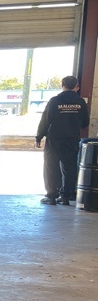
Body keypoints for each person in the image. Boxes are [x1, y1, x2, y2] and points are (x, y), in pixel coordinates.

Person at [35, 75, 89, 205]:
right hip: (71, 139)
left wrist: (39, 137)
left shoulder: (54, 101)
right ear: (77, 87)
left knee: (51, 167)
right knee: (69, 167)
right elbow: (85, 122)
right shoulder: (81, 102)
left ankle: (52, 196)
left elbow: (45, 121)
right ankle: (65, 197)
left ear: (62, 85)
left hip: (54, 139)